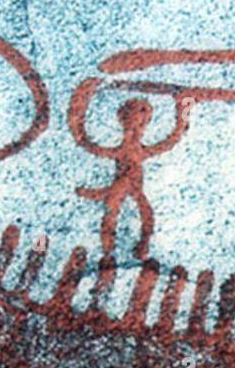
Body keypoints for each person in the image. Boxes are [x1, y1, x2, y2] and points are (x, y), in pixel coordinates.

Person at [73, 93, 193, 288]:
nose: (138, 124)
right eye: (137, 117)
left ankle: (127, 248)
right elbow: (85, 141)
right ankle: (110, 250)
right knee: (119, 213)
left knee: (137, 214)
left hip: (127, 187)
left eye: (143, 118)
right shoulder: (126, 150)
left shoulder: (134, 150)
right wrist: (79, 104)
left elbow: (172, 139)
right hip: (122, 186)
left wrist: (183, 111)